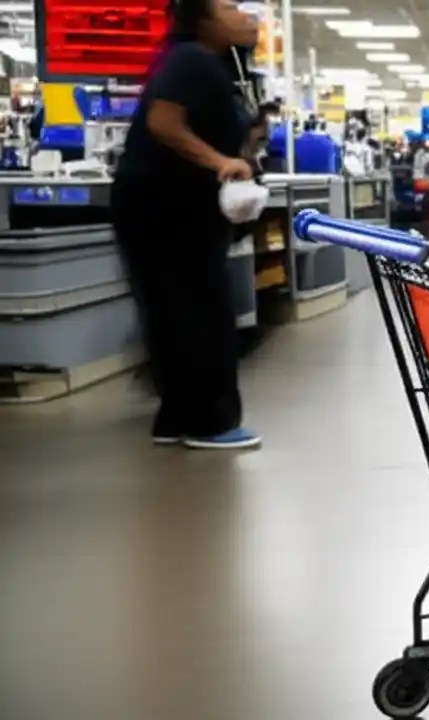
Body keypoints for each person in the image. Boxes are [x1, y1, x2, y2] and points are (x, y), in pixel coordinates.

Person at [111, 0, 261, 450]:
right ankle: (209, 422)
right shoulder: (194, 59)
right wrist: (221, 162)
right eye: (231, 7)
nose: (245, 15)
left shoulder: (198, 63)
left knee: (171, 309)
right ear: (203, 19)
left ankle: (176, 417)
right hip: (169, 205)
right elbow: (164, 123)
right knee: (202, 308)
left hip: (152, 203)